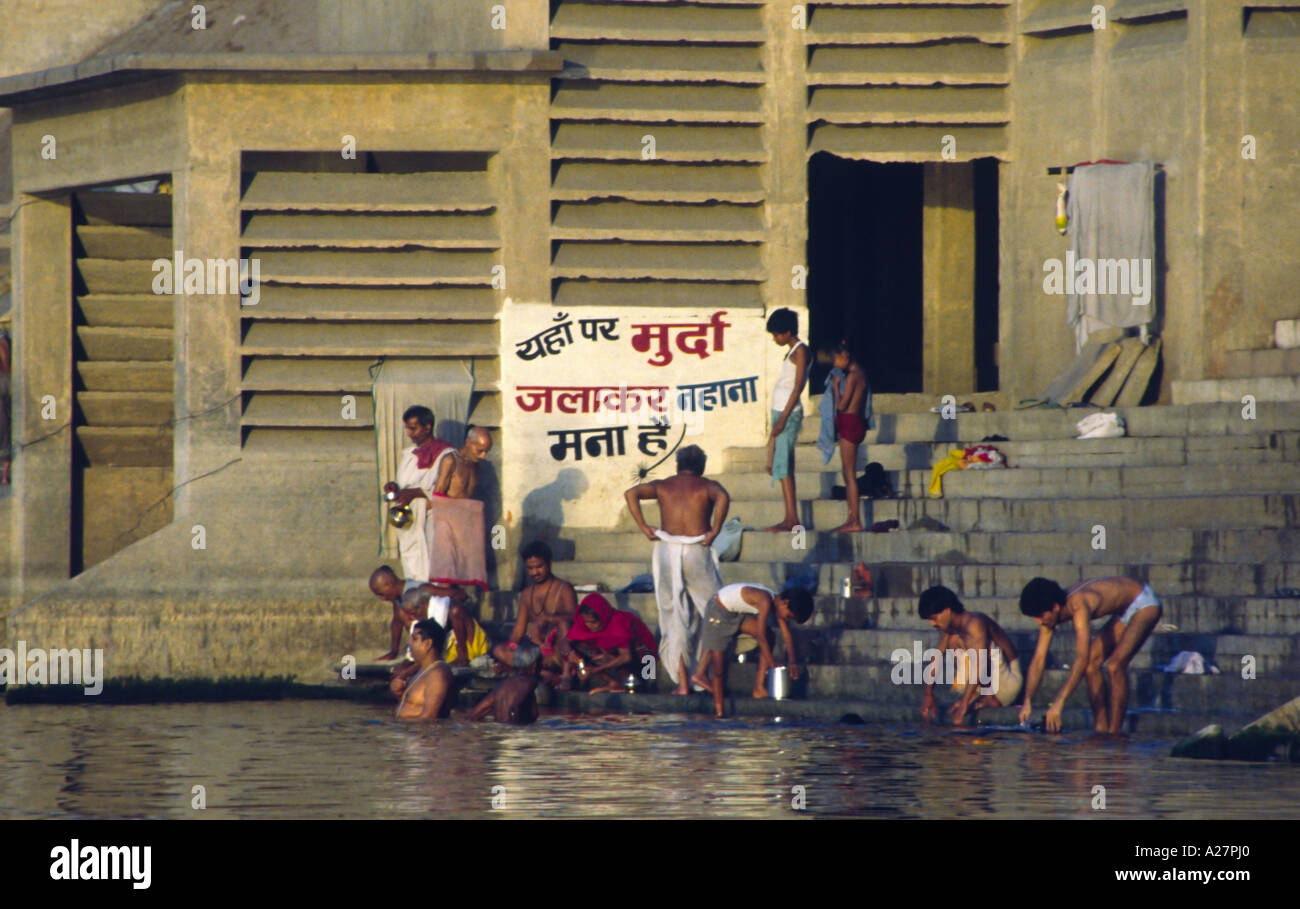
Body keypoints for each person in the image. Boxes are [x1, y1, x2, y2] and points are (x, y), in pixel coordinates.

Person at [625, 445, 729, 694]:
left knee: (675, 617)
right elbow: (724, 497)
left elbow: (631, 493)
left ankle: (683, 684)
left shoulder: (663, 485)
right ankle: (700, 673)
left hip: (666, 550)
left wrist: (643, 526)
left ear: (678, 465)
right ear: (701, 467)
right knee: (717, 611)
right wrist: (715, 530)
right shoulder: (706, 486)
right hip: (695, 551)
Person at [1018, 576, 1163, 734]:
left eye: (1040, 616)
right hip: (1124, 610)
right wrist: (1027, 700)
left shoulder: (1079, 604)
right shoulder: (1049, 617)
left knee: (1115, 666)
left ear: (1055, 607)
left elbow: (1081, 657)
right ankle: (1100, 730)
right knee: (1091, 666)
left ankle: (1114, 735)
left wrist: (1059, 703)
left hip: (1144, 602)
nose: (1039, 622)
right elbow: (1039, 659)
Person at [690, 583, 813, 718]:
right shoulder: (765, 600)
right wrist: (771, 663)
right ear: (785, 602)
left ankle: (759, 688)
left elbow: (786, 635)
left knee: (770, 635)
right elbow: (760, 636)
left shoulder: (777, 603)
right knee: (718, 669)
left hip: (737, 614)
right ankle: (719, 713)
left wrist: (792, 661)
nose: (786, 619)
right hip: (719, 612)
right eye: (789, 616)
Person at [916, 586, 1021, 725]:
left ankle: (986, 696)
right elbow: (937, 657)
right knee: (953, 639)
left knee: (960, 641)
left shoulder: (975, 623)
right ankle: (978, 694)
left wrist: (964, 704)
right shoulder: (951, 629)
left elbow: (980, 665)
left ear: (947, 611)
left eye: (934, 618)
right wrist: (928, 694)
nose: (932, 624)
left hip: (1008, 681)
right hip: (986, 681)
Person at [382, 405, 452, 589]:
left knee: (431, 566)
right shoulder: (409, 455)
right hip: (409, 520)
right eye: (407, 428)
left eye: (413, 428)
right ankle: (415, 606)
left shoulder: (446, 455)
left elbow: (447, 491)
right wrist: (395, 487)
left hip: (430, 519)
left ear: (427, 427)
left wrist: (414, 493)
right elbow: (405, 484)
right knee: (411, 563)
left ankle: (433, 609)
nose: (409, 433)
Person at [369, 565, 481, 670]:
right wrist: (394, 651)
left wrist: (443, 611)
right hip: (427, 634)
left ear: (388, 585)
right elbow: (396, 623)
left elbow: (460, 595)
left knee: (455, 610)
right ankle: (416, 653)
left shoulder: (421, 589)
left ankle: (462, 655)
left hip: (449, 630)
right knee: (401, 613)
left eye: (381, 594)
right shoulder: (397, 599)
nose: (382, 599)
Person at [495, 541, 576, 684]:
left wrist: (547, 618)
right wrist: (509, 651)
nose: (534, 572)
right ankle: (541, 672)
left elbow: (574, 618)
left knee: (563, 625)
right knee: (498, 650)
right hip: (536, 651)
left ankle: (564, 676)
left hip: (559, 650)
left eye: (539, 567)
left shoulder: (564, 588)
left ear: (549, 563)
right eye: (530, 568)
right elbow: (518, 632)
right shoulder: (526, 594)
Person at [764, 308, 809, 532]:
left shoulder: (801, 351)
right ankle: (790, 516)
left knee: (784, 465)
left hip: (788, 413)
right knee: (781, 465)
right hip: (780, 411)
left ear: (788, 332)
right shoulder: (792, 350)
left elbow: (798, 387)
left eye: (776, 334)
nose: (775, 339)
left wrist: (783, 419)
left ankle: (792, 518)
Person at [565, 593, 659, 694]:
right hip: (612, 654)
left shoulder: (618, 622)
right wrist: (571, 656)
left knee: (646, 682)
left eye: (593, 622)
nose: (589, 626)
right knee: (579, 648)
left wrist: (596, 670)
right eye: (587, 622)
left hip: (643, 658)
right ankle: (613, 683)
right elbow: (568, 641)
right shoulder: (583, 622)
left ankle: (630, 684)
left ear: (602, 618)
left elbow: (626, 657)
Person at [826, 340, 869, 533]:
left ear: (845, 356)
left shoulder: (853, 375)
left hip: (850, 422)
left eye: (836, 358)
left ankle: (854, 520)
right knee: (847, 473)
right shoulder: (860, 373)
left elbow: (842, 405)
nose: (835, 363)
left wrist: (836, 388)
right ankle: (852, 518)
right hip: (853, 422)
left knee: (849, 474)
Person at [395, 619, 454, 721]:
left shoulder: (437, 674)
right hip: (408, 732)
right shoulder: (424, 670)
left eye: (414, 639)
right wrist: (399, 693)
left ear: (427, 644)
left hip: (419, 735)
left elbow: (429, 719)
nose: (409, 643)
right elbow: (414, 706)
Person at [468, 673, 539, 725]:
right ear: (534, 665)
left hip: (500, 730)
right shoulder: (529, 681)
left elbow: (473, 716)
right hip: (515, 731)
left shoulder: (500, 688)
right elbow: (514, 708)